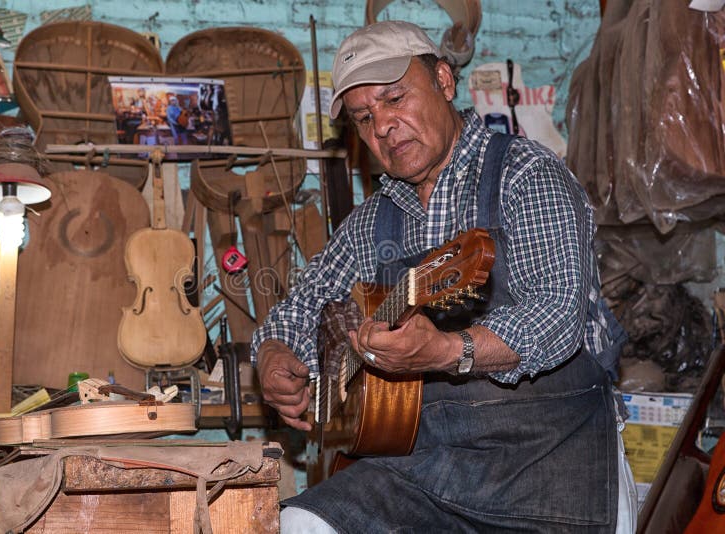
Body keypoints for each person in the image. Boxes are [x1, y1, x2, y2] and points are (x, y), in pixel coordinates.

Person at [251, 20, 635, 533]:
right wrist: (274, 352)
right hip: (418, 471)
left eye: (394, 98)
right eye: (365, 118)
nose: (383, 127)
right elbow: (301, 305)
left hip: (549, 470)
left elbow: (559, 314)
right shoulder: (371, 222)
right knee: (298, 524)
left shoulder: (526, 174)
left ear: (444, 81)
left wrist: (447, 352)